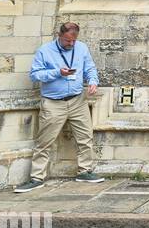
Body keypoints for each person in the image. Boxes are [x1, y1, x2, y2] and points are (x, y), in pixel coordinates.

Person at [14, 21, 105, 192]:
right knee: (45, 141)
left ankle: (85, 171)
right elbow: (35, 75)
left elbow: (90, 68)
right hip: (53, 103)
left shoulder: (81, 48)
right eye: (67, 41)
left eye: (73, 41)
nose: (70, 44)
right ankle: (37, 177)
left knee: (85, 137)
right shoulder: (45, 51)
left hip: (78, 100)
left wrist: (93, 81)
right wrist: (57, 72)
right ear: (59, 36)